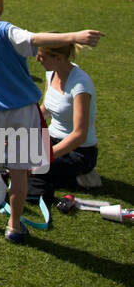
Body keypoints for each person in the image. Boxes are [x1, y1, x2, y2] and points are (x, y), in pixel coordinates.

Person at [0, 0, 103, 242]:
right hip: (22, 112)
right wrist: (74, 36)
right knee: (20, 171)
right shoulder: (4, 30)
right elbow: (34, 39)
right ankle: (14, 226)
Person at [32, 42, 101, 197]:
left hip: (79, 152)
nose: (37, 59)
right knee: (13, 152)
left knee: (30, 165)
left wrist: (47, 155)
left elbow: (79, 135)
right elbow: (46, 109)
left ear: (58, 58)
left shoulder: (80, 85)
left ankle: (84, 177)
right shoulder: (51, 73)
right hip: (52, 140)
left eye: (41, 56)